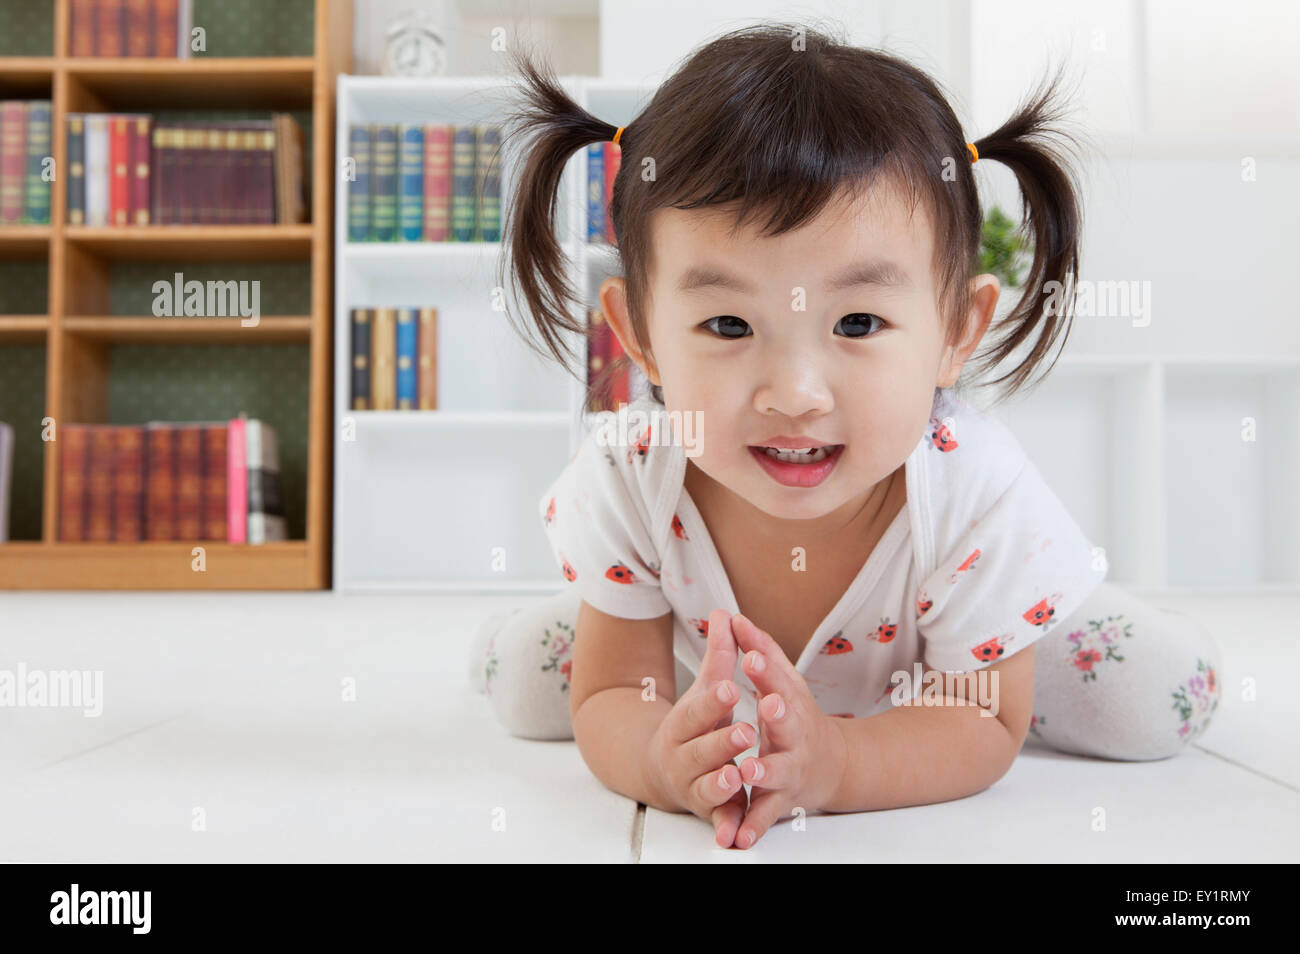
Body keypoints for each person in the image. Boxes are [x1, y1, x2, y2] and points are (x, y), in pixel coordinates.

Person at [468, 22, 1222, 851]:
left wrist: (841, 764)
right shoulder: (631, 467)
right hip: (694, 662)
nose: (794, 395)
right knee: (529, 687)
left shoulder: (972, 485)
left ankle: (1036, 621)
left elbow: (979, 722)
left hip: (954, 656)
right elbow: (614, 691)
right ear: (638, 331)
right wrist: (659, 755)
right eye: (727, 323)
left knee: (1154, 700)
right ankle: (575, 612)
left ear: (955, 332)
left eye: (858, 322)